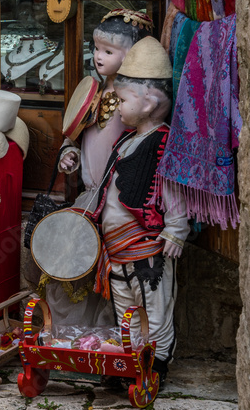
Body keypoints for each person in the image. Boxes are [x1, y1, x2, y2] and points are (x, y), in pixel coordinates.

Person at [90, 37, 188, 382]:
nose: (116, 106)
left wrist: (176, 228)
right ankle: (128, 362)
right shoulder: (125, 141)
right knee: (126, 311)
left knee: (154, 311)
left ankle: (156, 364)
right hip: (116, 253)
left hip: (148, 252)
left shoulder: (163, 142)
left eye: (122, 99)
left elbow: (172, 189)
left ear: (148, 104)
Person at [54, 9, 154, 327]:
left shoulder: (137, 103)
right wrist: (69, 153)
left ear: (132, 55)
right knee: (76, 267)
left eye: (108, 51)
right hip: (88, 198)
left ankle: (112, 342)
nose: (98, 57)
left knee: (116, 279)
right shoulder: (93, 93)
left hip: (118, 205)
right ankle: (75, 337)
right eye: (96, 49)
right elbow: (76, 134)